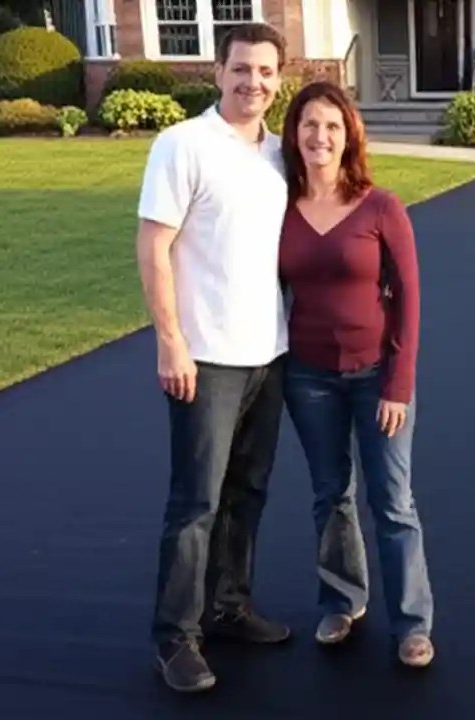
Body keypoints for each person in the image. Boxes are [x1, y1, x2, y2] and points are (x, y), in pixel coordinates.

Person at [135, 23, 293, 693]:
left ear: (278, 79)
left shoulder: (281, 154)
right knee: (195, 502)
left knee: (248, 493)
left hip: (272, 352)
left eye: (264, 72)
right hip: (206, 359)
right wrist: (170, 340)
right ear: (218, 70)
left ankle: (229, 606)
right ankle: (176, 637)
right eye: (240, 69)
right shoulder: (183, 146)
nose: (251, 82)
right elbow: (152, 245)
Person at [277, 81, 436, 668]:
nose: (321, 136)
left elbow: (410, 298)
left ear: (350, 137)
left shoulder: (380, 206)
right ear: (294, 134)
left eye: (333, 126)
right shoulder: (281, 207)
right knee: (330, 496)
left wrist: (398, 383)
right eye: (310, 125)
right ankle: (342, 601)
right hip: (308, 377)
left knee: (392, 500)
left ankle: (413, 624)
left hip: (376, 376)